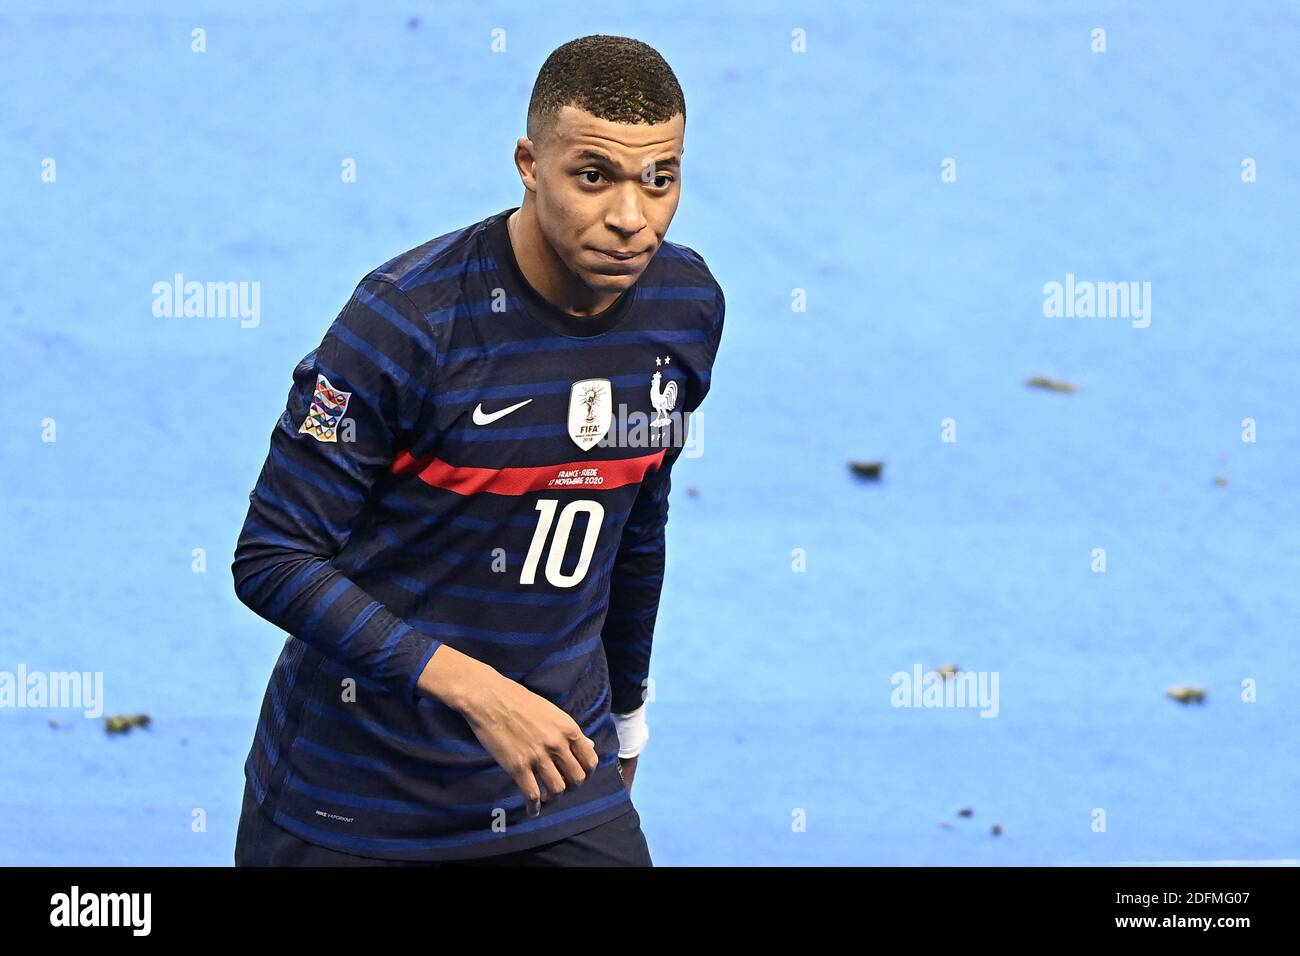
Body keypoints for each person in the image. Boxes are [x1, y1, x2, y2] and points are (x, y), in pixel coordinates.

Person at [231, 34, 725, 866]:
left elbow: (634, 523)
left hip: (555, 778)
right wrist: (479, 692)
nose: (631, 217)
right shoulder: (406, 321)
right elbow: (274, 558)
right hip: (352, 803)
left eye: (660, 179)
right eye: (593, 176)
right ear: (530, 164)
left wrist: (627, 716)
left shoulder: (683, 309)